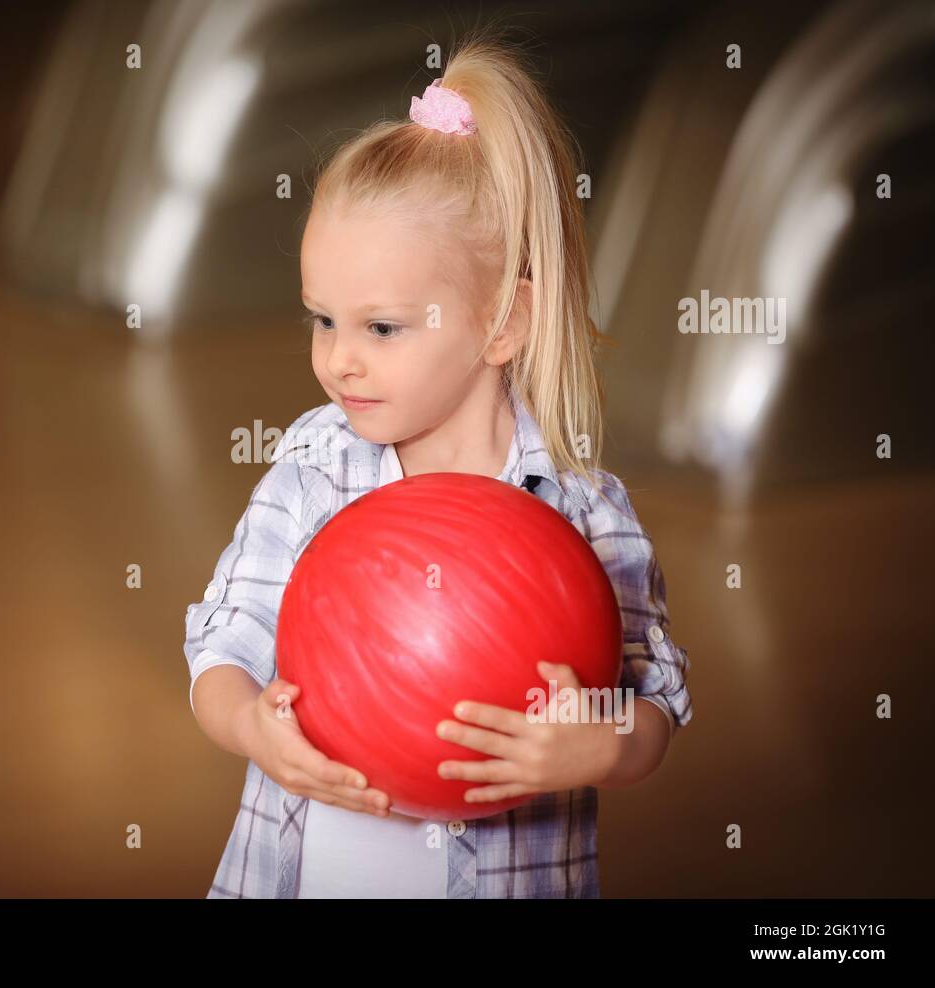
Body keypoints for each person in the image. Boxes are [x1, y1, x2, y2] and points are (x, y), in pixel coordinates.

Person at [183, 34, 693, 898]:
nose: (340, 360)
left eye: (380, 328)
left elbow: (654, 706)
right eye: (322, 319)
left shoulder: (582, 514)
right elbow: (221, 648)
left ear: (502, 322)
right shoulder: (315, 470)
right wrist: (249, 726)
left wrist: (600, 740)